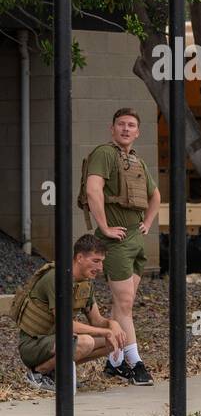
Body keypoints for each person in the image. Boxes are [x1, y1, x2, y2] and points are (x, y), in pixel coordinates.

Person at [80, 107, 160, 385]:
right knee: (125, 304)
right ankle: (135, 362)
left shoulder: (136, 160)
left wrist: (147, 223)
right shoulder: (104, 153)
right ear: (112, 128)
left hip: (136, 240)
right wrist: (103, 227)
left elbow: (155, 195)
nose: (126, 129)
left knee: (122, 304)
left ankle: (113, 362)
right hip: (115, 241)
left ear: (138, 132)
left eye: (131, 125)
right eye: (121, 124)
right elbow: (93, 190)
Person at [13, 234, 125, 392]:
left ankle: (57, 372)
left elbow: (97, 320)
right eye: (95, 261)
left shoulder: (85, 283)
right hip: (34, 345)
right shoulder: (56, 278)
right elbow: (65, 324)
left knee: (115, 340)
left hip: (56, 341)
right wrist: (105, 331)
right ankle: (38, 373)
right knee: (86, 342)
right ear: (79, 257)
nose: (100, 268)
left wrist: (113, 325)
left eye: (102, 262)